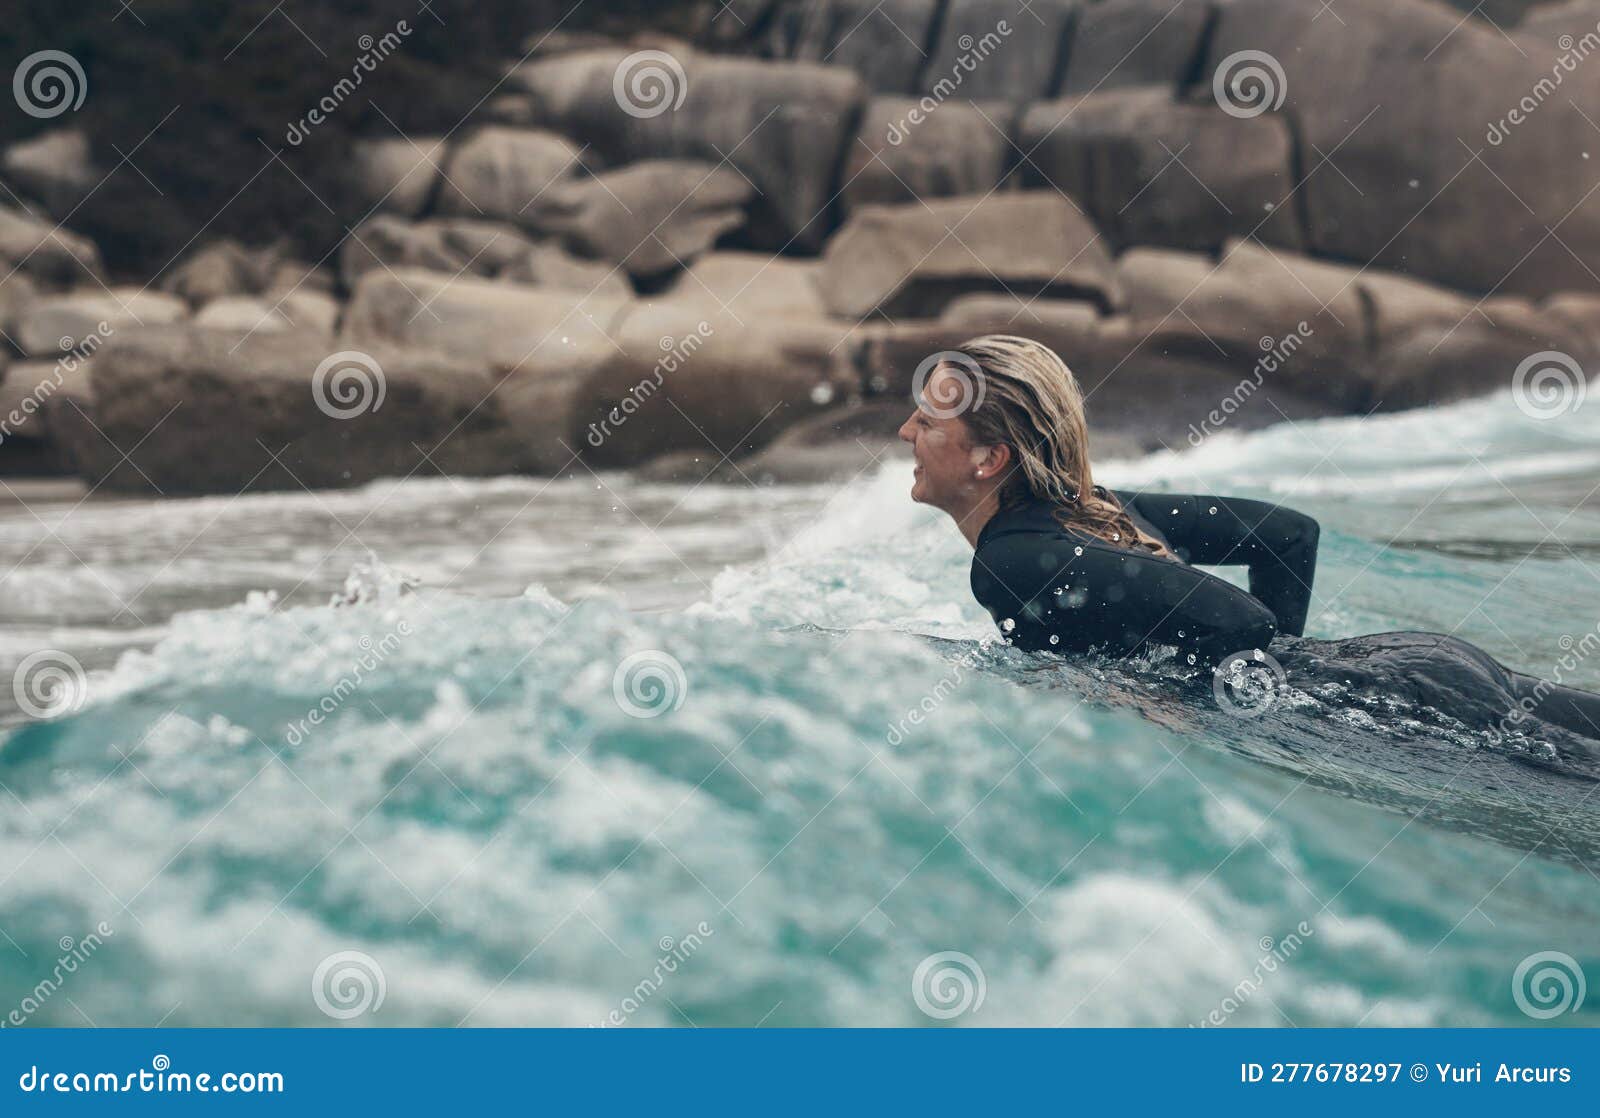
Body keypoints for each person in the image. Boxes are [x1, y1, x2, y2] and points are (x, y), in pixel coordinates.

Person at [897, 334, 1600, 746]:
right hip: (1402, 666)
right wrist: (1281, 664)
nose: (907, 434)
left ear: (990, 460)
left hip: (1394, 699)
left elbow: (1240, 617)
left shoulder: (1009, 562)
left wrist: (1235, 705)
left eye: (926, 424)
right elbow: (1287, 536)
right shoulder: (1104, 508)